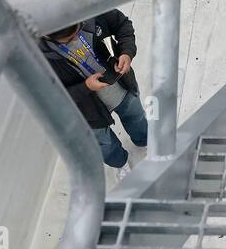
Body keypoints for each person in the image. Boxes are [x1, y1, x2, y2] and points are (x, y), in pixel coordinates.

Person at [37, 10, 147, 171]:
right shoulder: (37, 58)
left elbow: (123, 24)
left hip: (122, 86)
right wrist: (85, 87)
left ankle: (144, 142)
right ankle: (121, 165)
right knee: (105, 144)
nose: (76, 39)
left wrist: (127, 52)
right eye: (68, 41)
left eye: (78, 29)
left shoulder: (93, 12)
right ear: (46, 36)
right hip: (87, 111)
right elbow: (51, 96)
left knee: (136, 118)